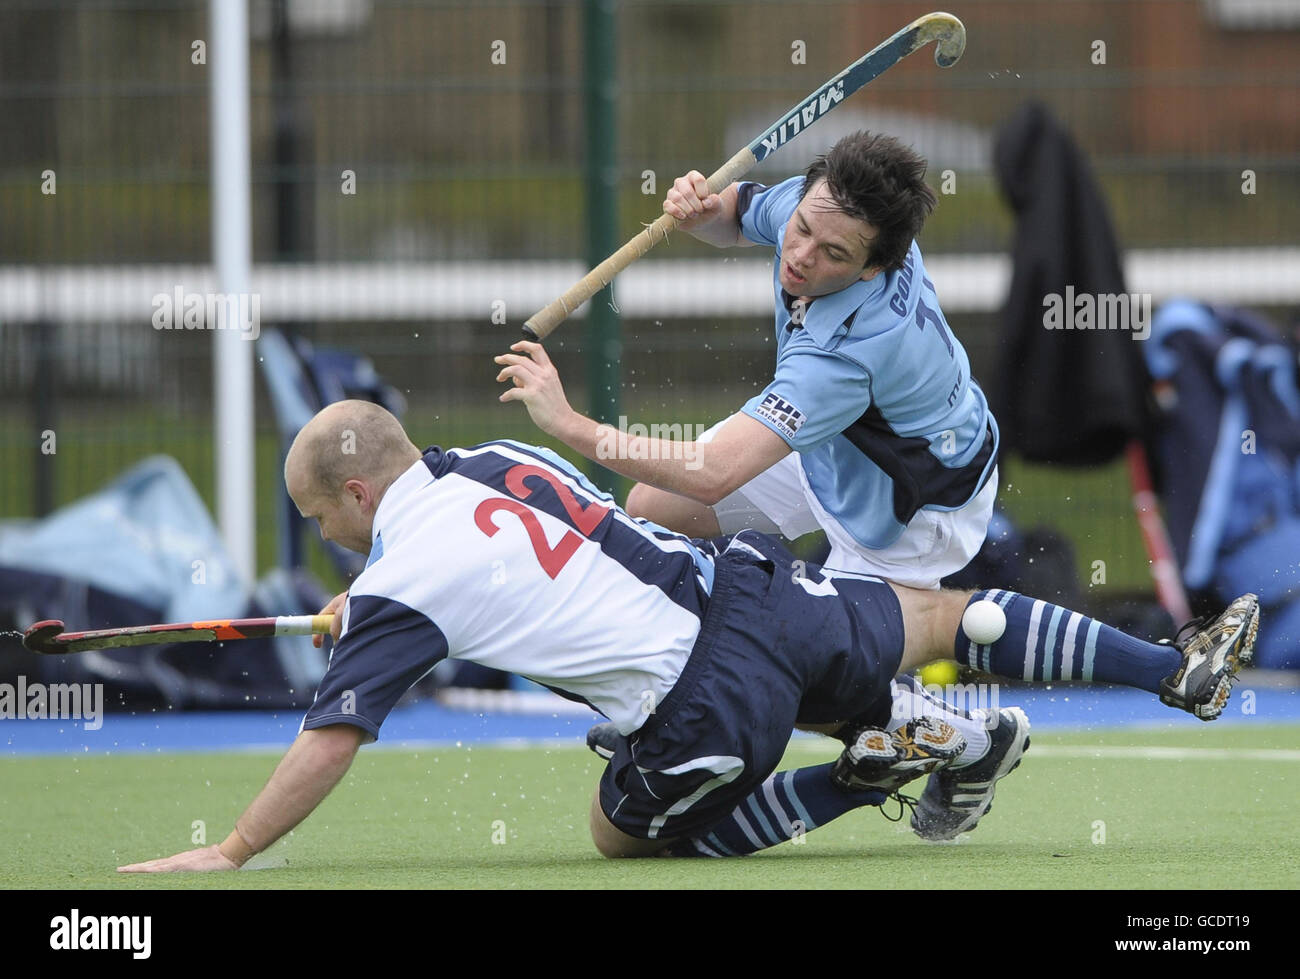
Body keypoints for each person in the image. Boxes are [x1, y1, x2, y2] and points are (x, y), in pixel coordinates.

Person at [118, 402, 1254, 872]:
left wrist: (229, 852)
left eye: (323, 521)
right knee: (946, 621)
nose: (326, 540)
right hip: (754, 592)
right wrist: (363, 612)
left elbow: (333, 733)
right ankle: (1173, 669)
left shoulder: (395, 580)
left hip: (705, 703)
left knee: (627, 838)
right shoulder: (481, 465)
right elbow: (511, 567)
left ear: (357, 493)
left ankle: (862, 779)